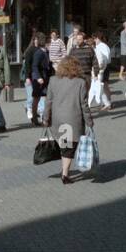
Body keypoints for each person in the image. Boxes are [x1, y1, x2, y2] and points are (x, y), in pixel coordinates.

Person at [44, 55, 93, 186]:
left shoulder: (53, 80)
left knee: (65, 146)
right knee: (69, 148)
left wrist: (45, 118)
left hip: (57, 119)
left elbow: (48, 101)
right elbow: (84, 104)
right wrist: (89, 121)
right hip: (73, 119)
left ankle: (64, 171)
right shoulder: (80, 82)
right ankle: (65, 174)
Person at [21, 32, 52, 127]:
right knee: (37, 98)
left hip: (44, 77)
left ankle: (43, 118)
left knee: (42, 98)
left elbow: (47, 65)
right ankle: (36, 118)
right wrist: (35, 77)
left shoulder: (45, 51)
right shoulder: (36, 52)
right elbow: (33, 66)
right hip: (37, 78)